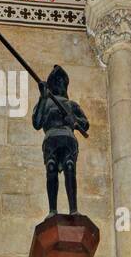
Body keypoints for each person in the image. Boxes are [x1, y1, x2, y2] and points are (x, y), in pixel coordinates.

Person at [32, 64, 89, 215]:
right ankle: (52, 210)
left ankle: (73, 210)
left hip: (68, 137)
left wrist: (74, 120)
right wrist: (43, 98)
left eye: (62, 82)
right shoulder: (45, 102)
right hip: (51, 137)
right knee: (51, 168)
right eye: (56, 81)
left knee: (69, 167)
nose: (59, 84)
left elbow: (85, 124)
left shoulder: (71, 104)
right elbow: (37, 123)